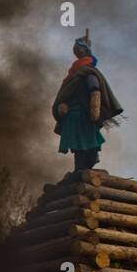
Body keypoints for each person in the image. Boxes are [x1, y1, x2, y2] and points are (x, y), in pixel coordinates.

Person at [52, 28, 122, 172]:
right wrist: (61, 105)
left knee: (88, 147)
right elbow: (64, 96)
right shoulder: (74, 75)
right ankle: (80, 170)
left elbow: (95, 89)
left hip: (85, 115)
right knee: (80, 147)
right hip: (75, 116)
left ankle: (83, 168)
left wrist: (95, 108)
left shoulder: (88, 72)